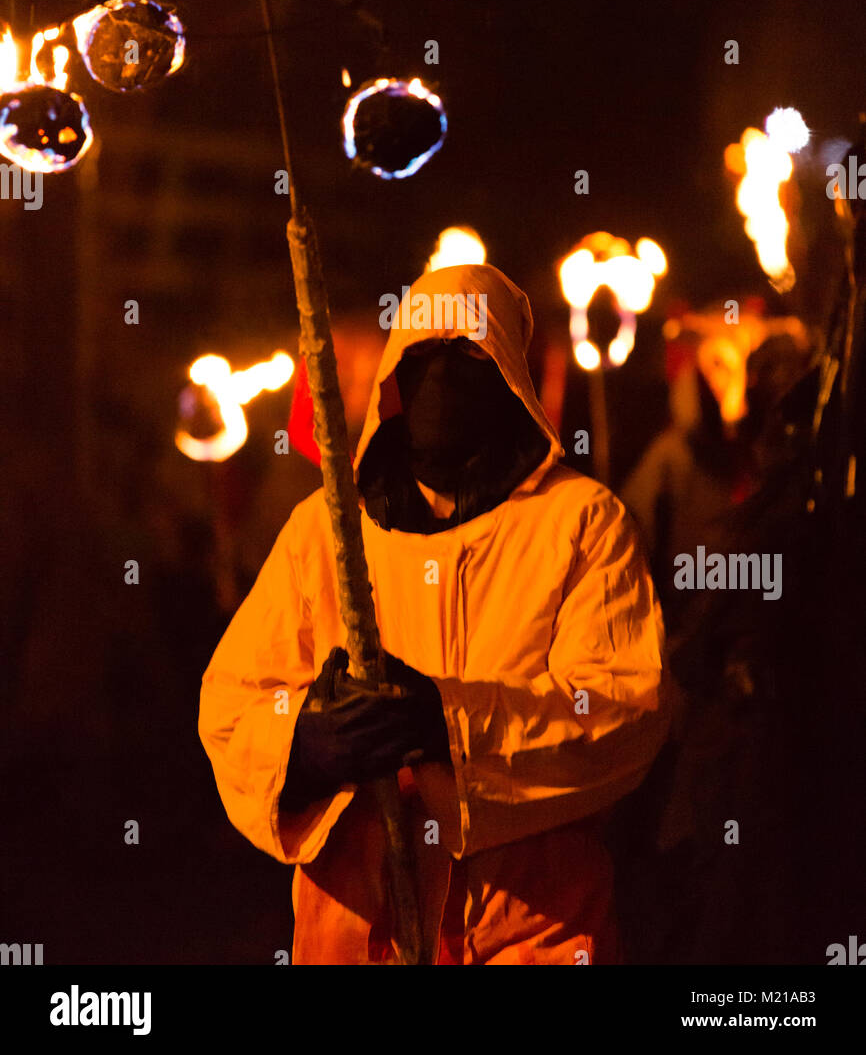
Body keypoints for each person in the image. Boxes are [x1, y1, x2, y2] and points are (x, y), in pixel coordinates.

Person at [198, 262, 671, 964]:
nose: (443, 377)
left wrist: (446, 726)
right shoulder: (328, 531)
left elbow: (622, 707)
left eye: (471, 355)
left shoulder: (580, 523)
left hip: (531, 935)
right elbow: (232, 709)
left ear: (509, 373)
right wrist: (307, 743)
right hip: (355, 938)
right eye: (423, 356)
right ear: (395, 377)